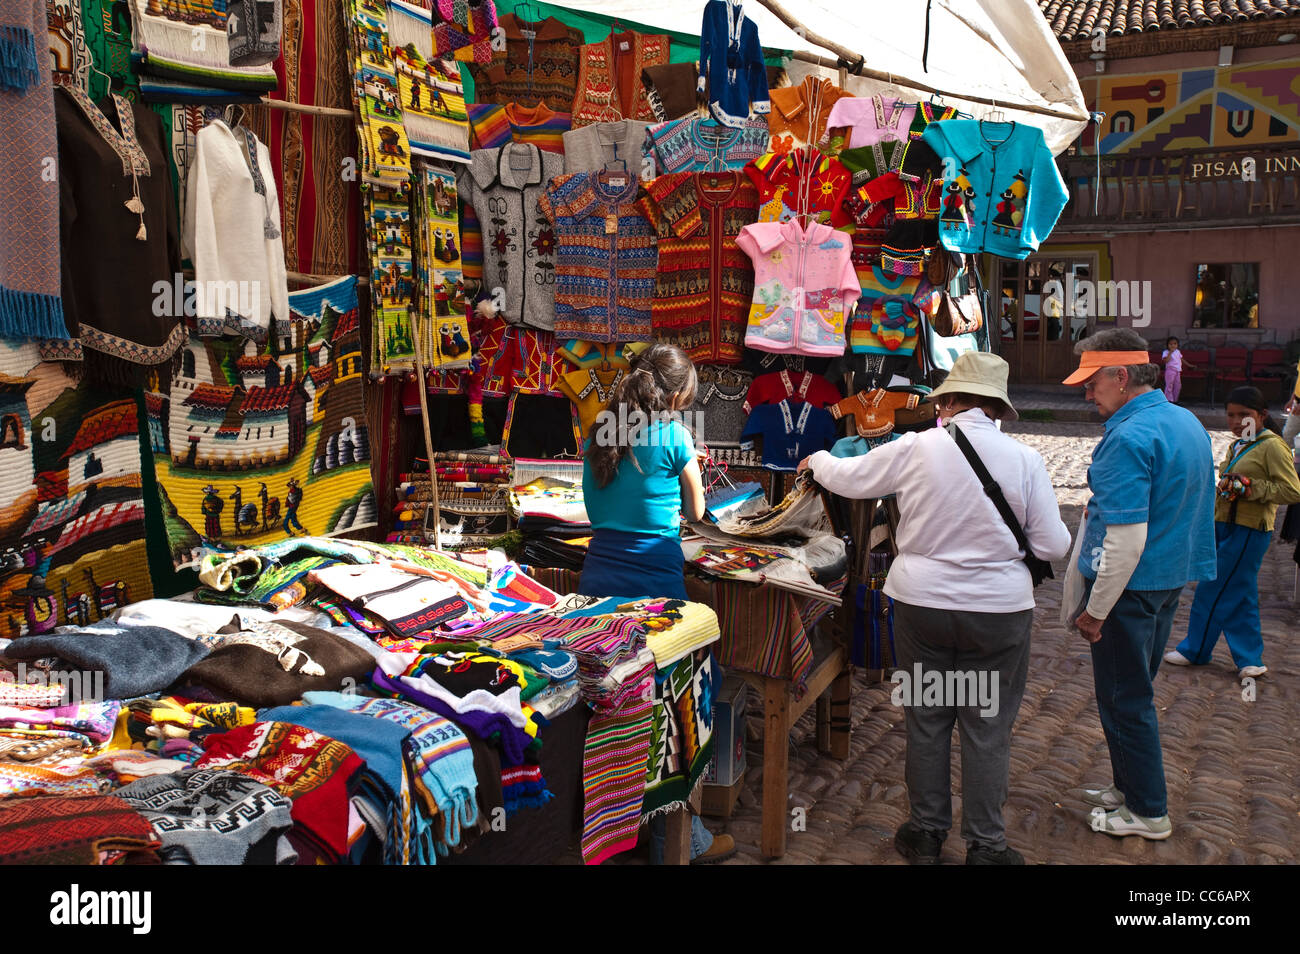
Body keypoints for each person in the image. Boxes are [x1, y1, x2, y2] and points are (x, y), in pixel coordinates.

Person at [799, 352, 1071, 865]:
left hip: (922, 605)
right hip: (998, 613)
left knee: (926, 719)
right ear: (997, 407)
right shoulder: (1025, 461)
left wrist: (816, 461)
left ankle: (925, 832)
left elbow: (851, 478)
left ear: (945, 401)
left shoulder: (915, 447)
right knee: (986, 725)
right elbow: (1053, 546)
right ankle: (986, 846)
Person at [579, 342, 733, 865]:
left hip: (597, 586)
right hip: (658, 596)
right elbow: (697, 508)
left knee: (610, 703)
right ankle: (682, 840)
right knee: (674, 707)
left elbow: (594, 508)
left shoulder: (601, 430)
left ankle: (616, 819)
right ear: (673, 394)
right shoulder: (676, 436)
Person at [1062, 328, 1215, 841]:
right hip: (1165, 579)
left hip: (1130, 587)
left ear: (1120, 376)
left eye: (1092, 383)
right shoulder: (1183, 419)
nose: (1087, 393)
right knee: (1132, 694)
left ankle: (1149, 810)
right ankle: (1129, 789)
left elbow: (1125, 540)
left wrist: (1095, 610)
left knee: (1125, 700)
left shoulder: (1127, 437)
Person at [1165, 387, 1300, 678]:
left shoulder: (1272, 446)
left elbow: (1292, 490)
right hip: (1224, 526)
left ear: (1262, 415)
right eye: (1231, 415)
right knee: (1240, 593)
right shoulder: (1237, 445)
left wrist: (1252, 488)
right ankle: (1250, 658)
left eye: (1244, 415)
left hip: (1249, 531)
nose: (1237, 421)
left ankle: (1196, 649)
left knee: (1212, 590)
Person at [1161, 336, 1185, 404]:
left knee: (1178, 385)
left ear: (1177, 345)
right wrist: (1170, 353)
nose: (1173, 345)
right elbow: (1166, 361)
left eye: (1175, 344)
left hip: (1177, 371)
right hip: (1170, 371)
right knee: (1169, 385)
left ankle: (1175, 400)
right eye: (1171, 344)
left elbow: (1181, 359)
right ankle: (1168, 400)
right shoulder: (1165, 352)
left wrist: (1190, 365)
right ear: (1167, 345)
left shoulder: (1178, 351)